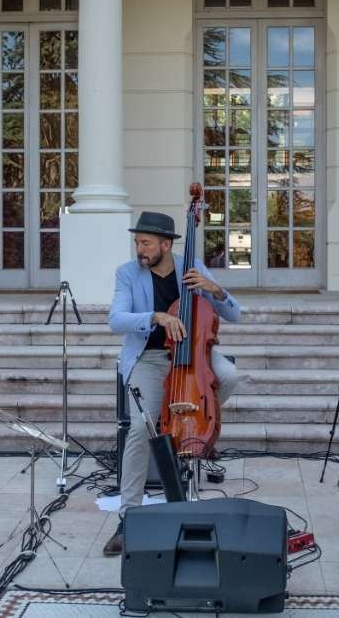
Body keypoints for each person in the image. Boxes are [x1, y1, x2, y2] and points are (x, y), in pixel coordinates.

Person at [102, 211, 242, 556]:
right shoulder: (127, 274)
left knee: (229, 376)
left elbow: (235, 313)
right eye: (137, 242)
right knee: (139, 428)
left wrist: (215, 289)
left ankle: (196, 427)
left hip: (194, 355)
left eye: (146, 243)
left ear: (166, 245)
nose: (140, 249)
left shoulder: (192, 266)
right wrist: (156, 317)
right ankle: (128, 515)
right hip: (150, 359)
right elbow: (116, 320)